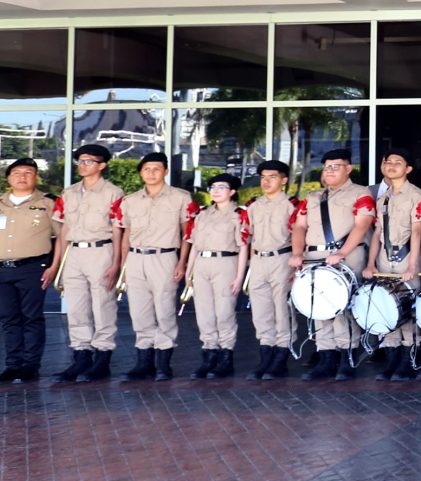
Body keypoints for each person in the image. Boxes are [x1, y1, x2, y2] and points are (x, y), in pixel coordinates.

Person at [287, 148, 377, 382]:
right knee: (318, 306)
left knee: (342, 307)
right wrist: (297, 253)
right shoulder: (313, 197)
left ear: (348, 169)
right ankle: (325, 356)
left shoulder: (360, 193)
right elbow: (299, 227)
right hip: (313, 258)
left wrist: (342, 252)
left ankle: (347, 356)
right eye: (327, 166)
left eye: (335, 166)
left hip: (345, 257)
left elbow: (362, 225)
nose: (329, 170)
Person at [0, 158, 60, 384]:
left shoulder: (48, 203)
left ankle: (30, 366)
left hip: (33, 268)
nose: (22, 176)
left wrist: (54, 267)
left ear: (37, 177)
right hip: (0, 270)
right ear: (8, 178)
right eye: (17, 172)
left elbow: (63, 236)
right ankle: (12, 365)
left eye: (28, 172)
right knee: (9, 318)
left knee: (31, 317)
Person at [118, 152, 198, 382]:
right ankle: (144, 363)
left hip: (164, 258)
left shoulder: (180, 197)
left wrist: (182, 262)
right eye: (146, 169)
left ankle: (163, 364)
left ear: (165, 171)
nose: (151, 173)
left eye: (156, 169)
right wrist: (124, 265)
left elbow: (187, 233)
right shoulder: (130, 201)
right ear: (141, 172)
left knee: (164, 310)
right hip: (135, 258)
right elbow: (127, 234)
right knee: (139, 312)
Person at [51, 144, 123, 383]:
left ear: (102, 165)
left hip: (101, 251)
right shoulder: (69, 193)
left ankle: (102, 358)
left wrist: (116, 263)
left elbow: (118, 230)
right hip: (74, 253)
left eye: (89, 161)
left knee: (103, 305)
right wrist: (58, 264)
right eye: (80, 161)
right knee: (76, 307)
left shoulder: (114, 193)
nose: (83, 165)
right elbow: (64, 229)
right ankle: (81, 356)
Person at [365, 149, 421, 381]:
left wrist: (412, 266)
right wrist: (371, 263)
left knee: (408, 307)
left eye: (397, 162)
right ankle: (391, 357)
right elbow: (377, 232)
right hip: (384, 259)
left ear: (408, 169)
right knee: (386, 307)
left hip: (406, 257)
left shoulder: (417, 196)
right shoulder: (383, 198)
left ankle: (408, 360)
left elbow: (418, 232)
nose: (391, 165)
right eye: (388, 162)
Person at [184, 174, 250, 379]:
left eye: (221, 187)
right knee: (204, 313)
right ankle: (209, 355)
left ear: (232, 192)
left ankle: (225, 356)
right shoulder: (203, 214)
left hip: (226, 262)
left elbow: (243, 247)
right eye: (212, 187)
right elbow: (195, 244)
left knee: (224, 312)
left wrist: (240, 277)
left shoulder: (239, 214)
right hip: (202, 263)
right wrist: (189, 270)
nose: (215, 191)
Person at [243, 160, 298, 380]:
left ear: (284, 180)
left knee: (282, 310)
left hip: (282, 259)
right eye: (263, 177)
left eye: (272, 177)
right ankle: (265, 355)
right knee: (261, 310)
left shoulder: (292, 205)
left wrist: (297, 264)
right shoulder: (254, 206)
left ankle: (280, 358)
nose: (266, 181)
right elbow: (249, 238)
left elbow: (298, 234)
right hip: (258, 260)